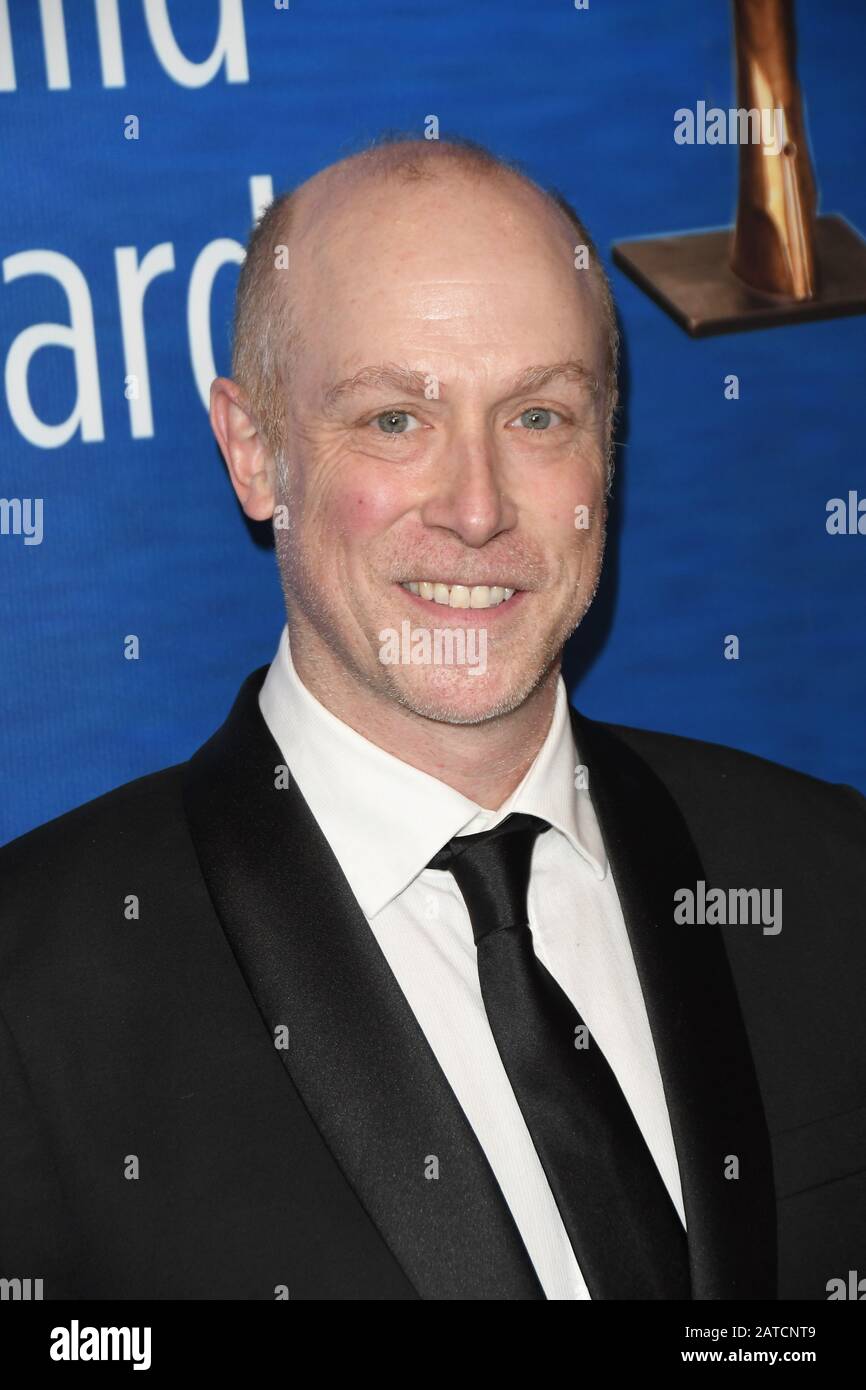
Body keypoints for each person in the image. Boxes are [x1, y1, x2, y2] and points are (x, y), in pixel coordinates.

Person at [1, 136, 864, 1302]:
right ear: (255, 453)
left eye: (539, 417)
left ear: (605, 450)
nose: (474, 509)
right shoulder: (36, 995)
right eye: (395, 421)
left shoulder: (826, 876)